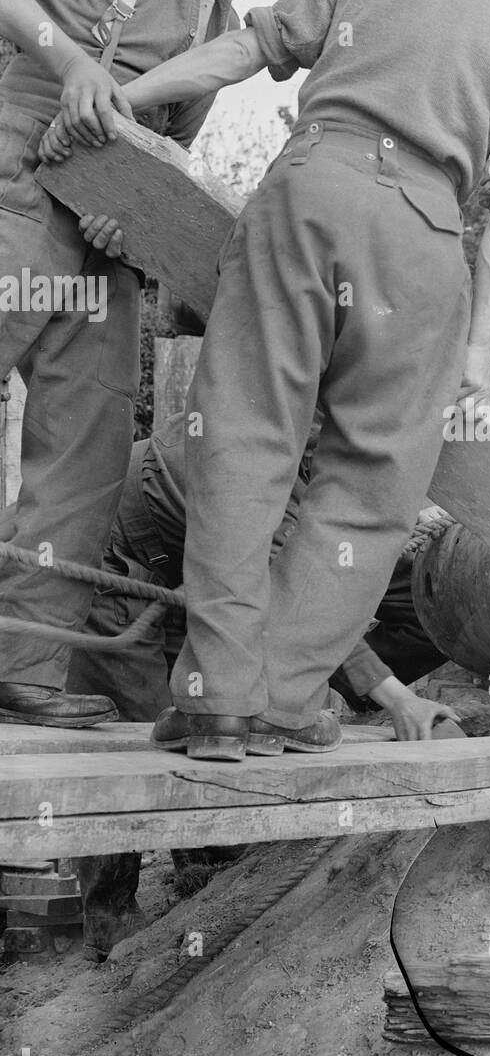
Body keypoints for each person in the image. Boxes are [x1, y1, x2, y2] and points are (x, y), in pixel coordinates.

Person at [45, 0, 490, 760]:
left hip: (310, 186)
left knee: (243, 444)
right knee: (373, 486)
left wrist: (121, 99)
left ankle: (216, 701)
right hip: (422, 234)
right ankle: (284, 700)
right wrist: (475, 350)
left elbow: (241, 53)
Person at [0, 0, 337, 729]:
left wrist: (132, 222)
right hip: (11, 193)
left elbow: (164, 165)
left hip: (99, 246)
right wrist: (71, 60)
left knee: (88, 446)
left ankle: (22, 666)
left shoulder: (222, 30)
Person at [69, 412, 457, 962]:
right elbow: (294, 592)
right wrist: (396, 698)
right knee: (128, 746)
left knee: (222, 722)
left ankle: (207, 887)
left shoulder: (353, 447)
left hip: (207, 575)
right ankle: (109, 925)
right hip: (125, 562)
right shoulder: (262, 462)